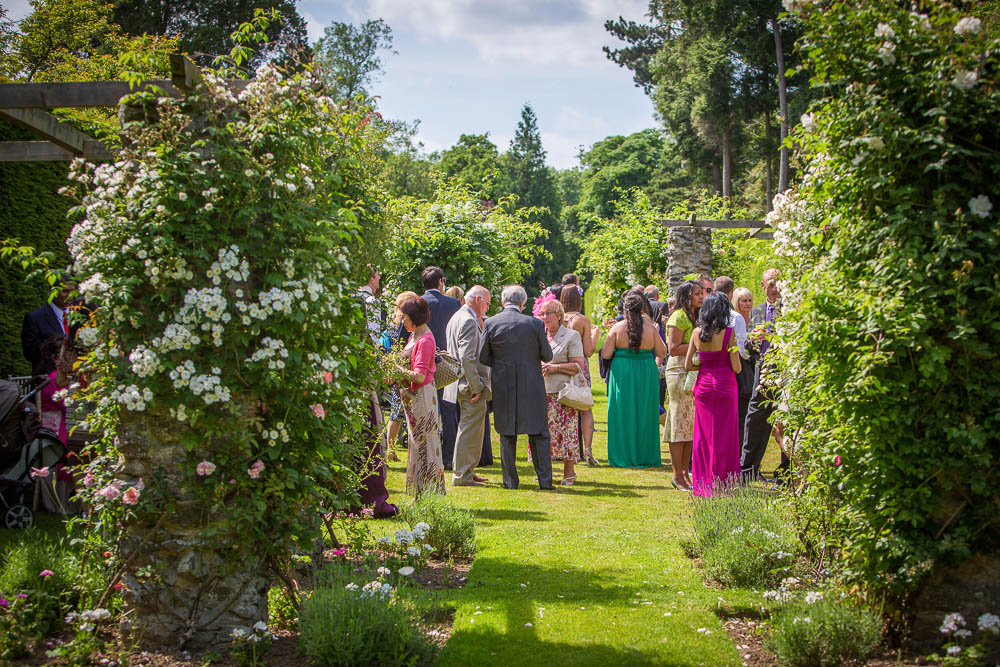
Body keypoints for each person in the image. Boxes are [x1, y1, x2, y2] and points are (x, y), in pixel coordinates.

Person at [479, 285, 554, 490]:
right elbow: (547, 355)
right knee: (539, 432)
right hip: (532, 383)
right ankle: (545, 481)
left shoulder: (491, 323)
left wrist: (501, 364)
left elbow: (483, 356)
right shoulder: (535, 324)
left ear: (503, 302)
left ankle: (510, 481)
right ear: (523, 303)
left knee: (506, 433)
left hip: (503, 383)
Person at [685, 292, 741, 497]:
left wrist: (704, 362)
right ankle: (725, 481)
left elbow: (688, 364)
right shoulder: (728, 333)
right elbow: (736, 368)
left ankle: (705, 481)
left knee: (703, 435)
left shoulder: (696, 332)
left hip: (704, 387)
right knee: (726, 434)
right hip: (725, 385)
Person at [602, 292, 666, 468]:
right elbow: (662, 352)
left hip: (622, 372)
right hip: (645, 371)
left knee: (622, 412)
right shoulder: (651, 329)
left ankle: (623, 454)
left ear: (625, 309)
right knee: (645, 412)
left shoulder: (616, 328)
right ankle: (645, 455)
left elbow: (606, 354)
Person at [353, 269, 398, 517]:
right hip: (362, 381)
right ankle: (369, 497)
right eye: (378, 276)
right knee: (369, 436)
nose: (379, 280)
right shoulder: (371, 303)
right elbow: (372, 341)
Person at [740, 269, 788, 481]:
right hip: (763, 370)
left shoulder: (790, 310)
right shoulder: (757, 312)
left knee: (787, 421)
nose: (775, 288)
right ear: (763, 286)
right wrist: (752, 340)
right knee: (755, 420)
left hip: (786, 371)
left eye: (778, 283)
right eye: (770, 284)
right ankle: (748, 470)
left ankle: (786, 475)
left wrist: (774, 335)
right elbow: (748, 349)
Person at [444, 286, 492, 487]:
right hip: (468, 385)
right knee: (469, 430)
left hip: (457, 382)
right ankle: (463, 474)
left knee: (469, 429)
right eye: (487, 303)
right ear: (478, 299)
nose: (487, 308)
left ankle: (466, 470)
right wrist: (477, 387)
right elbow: (466, 356)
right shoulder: (468, 320)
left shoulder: (457, 317)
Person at [398, 296, 445, 497]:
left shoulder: (425, 340)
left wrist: (396, 370)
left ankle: (430, 495)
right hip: (414, 398)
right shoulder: (414, 335)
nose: (402, 321)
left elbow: (419, 375)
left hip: (423, 397)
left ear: (414, 317)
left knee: (426, 445)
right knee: (416, 445)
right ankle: (418, 493)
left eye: (404, 317)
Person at [537, 298, 586, 485]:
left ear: (559, 315)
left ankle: (569, 473)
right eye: (542, 313)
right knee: (542, 433)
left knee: (566, 433)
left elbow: (578, 365)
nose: (545, 317)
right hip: (541, 391)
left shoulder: (571, 336)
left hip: (562, 393)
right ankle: (543, 471)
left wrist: (554, 368)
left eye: (548, 313)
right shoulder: (539, 334)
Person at [663, 280, 705, 490]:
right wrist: (699, 342)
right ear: (687, 297)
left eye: (702, 293)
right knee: (679, 422)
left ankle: (684, 473)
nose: (701, 297)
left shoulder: (695, 316)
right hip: (679, 371)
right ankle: (676, 474)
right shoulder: (678, 317)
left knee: (690, 424)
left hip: (692, 370)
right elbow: (673, 348)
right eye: (697, 294)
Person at [419, 266, 462, 470]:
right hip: (446, 362)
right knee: (448, 410)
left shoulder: (418, 303)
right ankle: (447, 457)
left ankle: (426, 454)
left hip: (422, 362)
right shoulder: (453, 303)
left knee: (425, 410)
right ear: (440, 282)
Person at [559, 286, 600, 465]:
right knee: (585, 407)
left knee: (562, 407)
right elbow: (589, 351)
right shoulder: (582, 320)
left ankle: (564, 448)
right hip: (579, 367)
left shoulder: (557, 318)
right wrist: (595, 335)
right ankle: (588, 449)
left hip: (561, 366)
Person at [384, 291, 419, 462]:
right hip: (404, 371)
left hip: (396, 370)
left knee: (396, 411)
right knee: (398, 411)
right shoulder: (404, 325)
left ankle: (391, 449)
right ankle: (391, 449)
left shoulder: (392, 324)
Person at [22, 275, 75, 369]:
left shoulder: (79, 315)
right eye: (65, 291)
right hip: (50, 378)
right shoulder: (35, 318)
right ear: (52, 292)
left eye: (72, 291)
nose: (70, 296)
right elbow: (31, 354)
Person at [731, 286, 756, 447]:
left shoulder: (755, 318)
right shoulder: (736, 320)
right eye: (743, 301)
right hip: (741, 365)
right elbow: (739, 347)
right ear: (736, 302)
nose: (747, 304)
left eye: (749, 300)